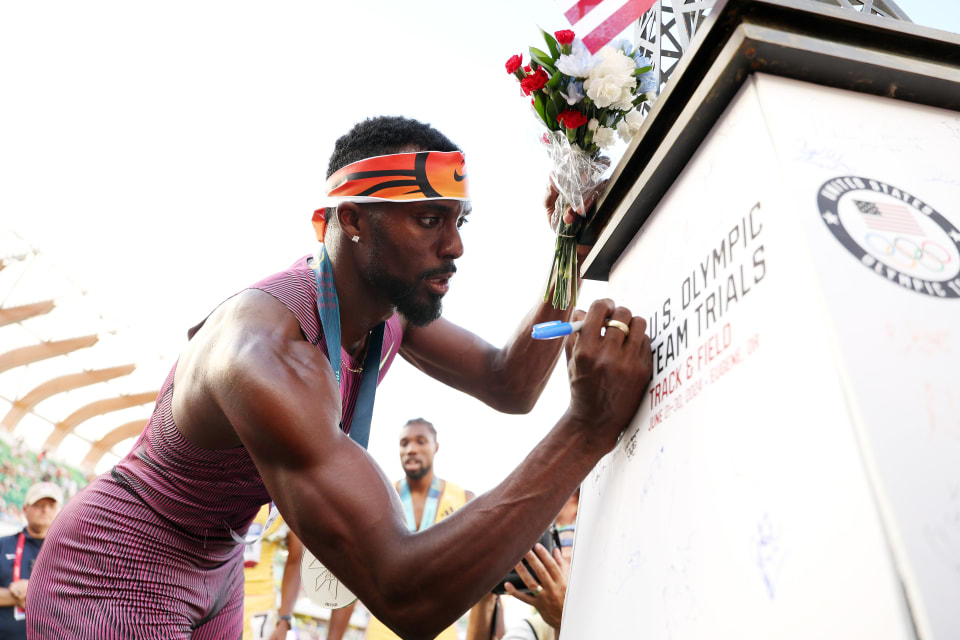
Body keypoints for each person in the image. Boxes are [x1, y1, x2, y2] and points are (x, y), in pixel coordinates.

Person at [27, 115, 652, 640]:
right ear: (353, 220)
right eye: (429, 220)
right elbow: (405, 595)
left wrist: (568, 244)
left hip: (220, 567)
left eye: (459, 221)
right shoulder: (269, 352)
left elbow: (509, 381)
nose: (456, 246)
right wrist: (588, 427)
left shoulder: (387, 311)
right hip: (120, 563)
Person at [327, 418, 482, 640]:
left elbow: (481, 577)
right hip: (384, 628)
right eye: (404, 443)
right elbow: (355, 577)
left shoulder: (464, 500)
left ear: (435, 447)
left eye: (421, 442)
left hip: (440, 627)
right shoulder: (378, 498)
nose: (411, 449)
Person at [0, 482, 62, 640]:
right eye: (38, 504)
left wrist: (31, 591)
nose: (45, 510)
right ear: (25, 509)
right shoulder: (3, 544)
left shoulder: (69, 553)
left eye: (51, 506)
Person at [241, 505, 304, 640]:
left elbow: (296, 559)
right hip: (216, 596)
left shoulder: (284, 494)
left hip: (260, 607)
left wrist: (284, 620)